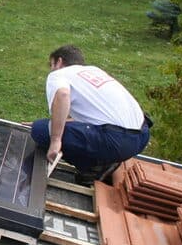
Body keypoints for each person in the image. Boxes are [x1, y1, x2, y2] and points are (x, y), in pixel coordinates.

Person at [30, 44, 150, 184]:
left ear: (59, 61)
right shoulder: (93, 71)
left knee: (40, 130)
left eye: (52, 64)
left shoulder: (58, 75)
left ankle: (93, 168)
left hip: (116, 140)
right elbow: (92, 118)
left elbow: (62, 95)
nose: (51, 69)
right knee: (47, 127)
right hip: (141, 136)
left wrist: (55, 140)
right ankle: (105, 161)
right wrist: (52, 124)